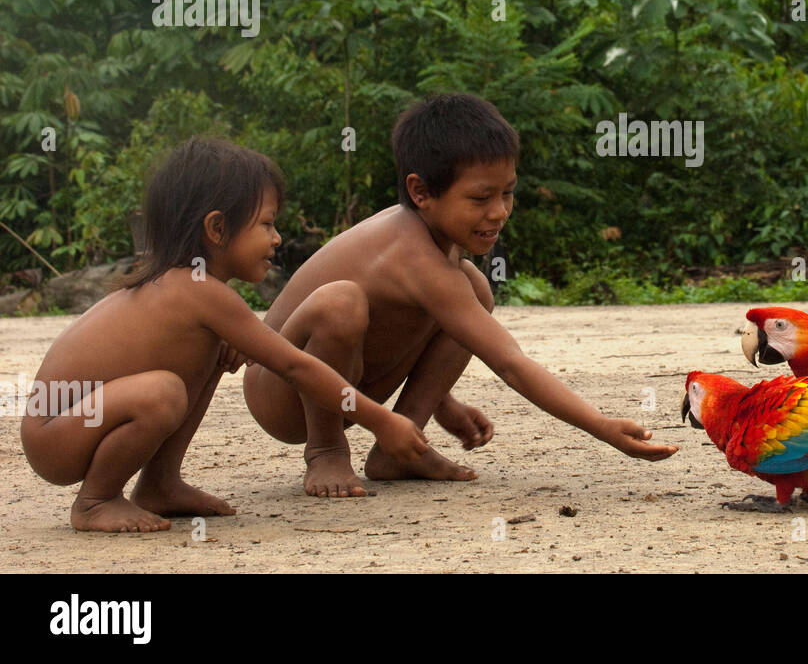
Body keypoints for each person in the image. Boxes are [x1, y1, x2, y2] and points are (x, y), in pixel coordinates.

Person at [243, 92, 677, 497]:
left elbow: (397, 328)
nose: (499, 211)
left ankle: (400, 448)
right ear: (421, 192)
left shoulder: (441, 251)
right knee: (340, 303)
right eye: (480, 197)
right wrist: (601, 426)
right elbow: (509, 363)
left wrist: (442, 401)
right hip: (280, 394)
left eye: (508, 193)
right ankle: (326, 451)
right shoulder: (409, 251)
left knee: (475, 289)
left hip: (351, 385)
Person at [20, 139, 431, 532]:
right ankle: (95, 501)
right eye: (267, 224)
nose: (277, 238)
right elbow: (294, 364)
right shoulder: (198, 291)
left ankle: (159, 482)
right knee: (161, 393)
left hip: (70, 424)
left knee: (217, 351)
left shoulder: (192, 289)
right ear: (217, 229)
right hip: (56, 433)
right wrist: (381, 421)